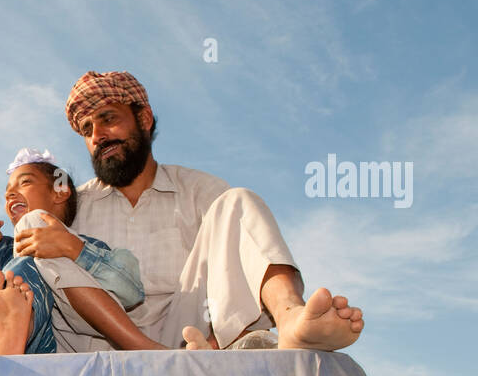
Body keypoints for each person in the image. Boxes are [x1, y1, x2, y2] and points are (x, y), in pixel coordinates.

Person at [40, 70, 364, 352]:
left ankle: (292, 319)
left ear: (144, 119)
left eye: (108, 118)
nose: (98, 136)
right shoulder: (73, 206)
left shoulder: (199, 191)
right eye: (86, 129)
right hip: (99, 343)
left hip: (186, 336)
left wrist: (213, 335)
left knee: (239, 201)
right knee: (41, 231)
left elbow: (240, 263)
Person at [0, 147, 161, 356]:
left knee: (34, 222)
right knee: (23, 253)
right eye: (7, 191)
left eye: (25, 182)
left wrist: (74, 249)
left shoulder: (91, 247)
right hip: (12, 344)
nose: (9, 194)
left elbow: (131, 292)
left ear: (60, 191)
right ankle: (16, 328)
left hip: (64, 345)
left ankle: (16, 334)